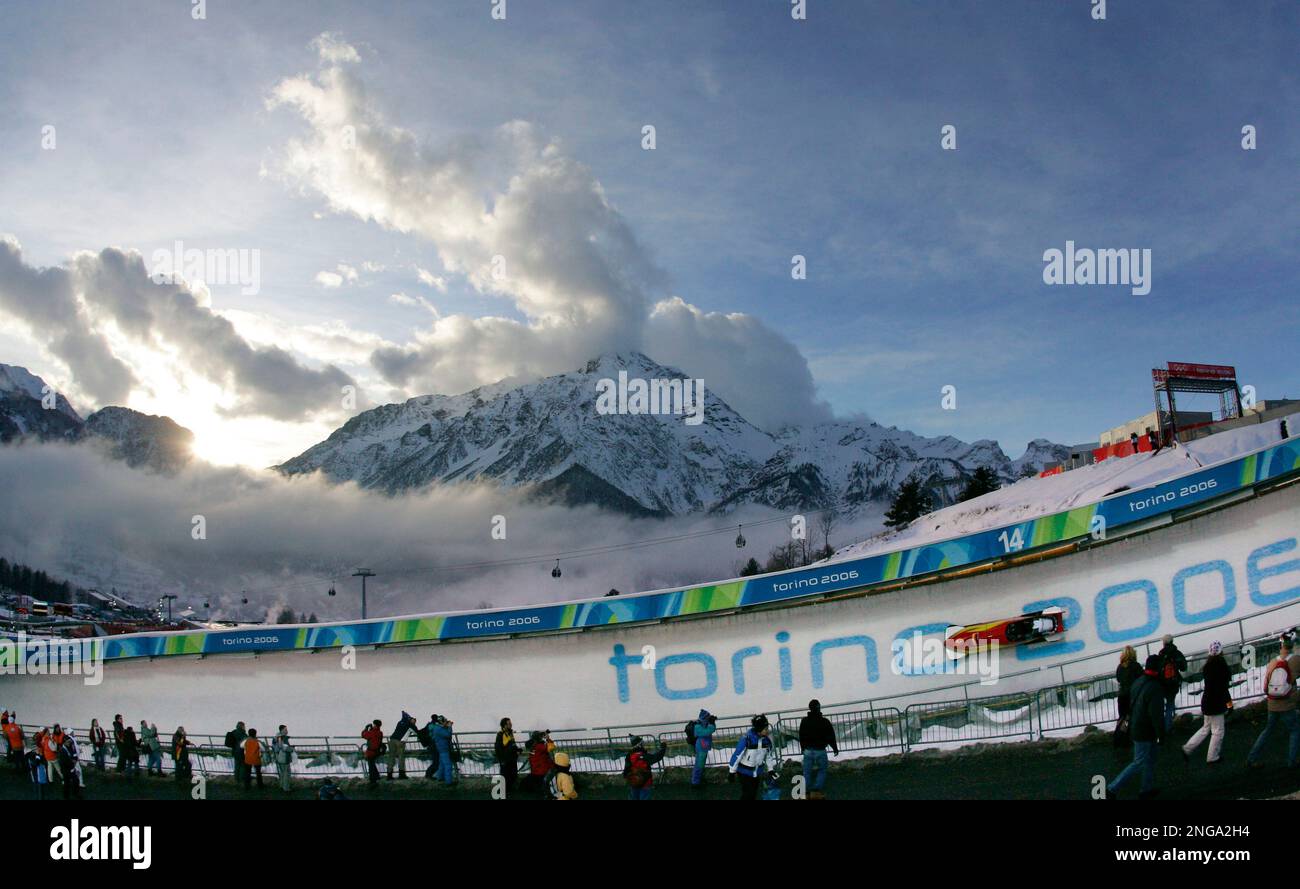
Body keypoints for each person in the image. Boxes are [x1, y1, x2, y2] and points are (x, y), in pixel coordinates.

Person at [1107, 655, 1166, 799]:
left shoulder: (1139, 682)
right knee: (1139, 761)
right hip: (1145, 730)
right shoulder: (1155, 687)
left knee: (1150, 759)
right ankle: (1112, 788)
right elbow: (1156, 714)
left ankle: (1147, 789)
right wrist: (1161, 733)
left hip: (1137, 726)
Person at [1248, 633, 1300, 768]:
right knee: (1295, 729)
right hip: (1287, 704)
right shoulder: (1296, 660)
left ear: (1280, 646)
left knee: (1267, 730)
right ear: (1292, 645)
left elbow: (1266, 688)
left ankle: (1252, 757)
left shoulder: (1272, 662)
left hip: (1272, 704)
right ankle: (1292, 761)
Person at [1183, 641, 1231, 765]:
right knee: (1218, 731)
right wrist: (1230, 705)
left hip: (1207, 702)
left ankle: (1188, 748)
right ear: (1221, 652)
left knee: (1206, 728)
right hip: (1217, 704)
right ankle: (1212, 756)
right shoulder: (1222, 667)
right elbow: (1223, 689)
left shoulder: (1207, 667)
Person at [730, 715, 779, 801]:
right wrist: (732, 771)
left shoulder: (766, 741)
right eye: (765, 729)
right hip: (744, 772)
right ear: (759, 730)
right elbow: (737, 755)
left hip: (756, 772)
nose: (767, 731)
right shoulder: (747, 739)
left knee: (753, 794)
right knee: (748, 794)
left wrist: (770, 770)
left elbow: (768, 756)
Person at [798, 700, 840, 799]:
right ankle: (816, 791)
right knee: (822, 770)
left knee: (806, 771)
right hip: (820, 749)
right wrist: (835, 748)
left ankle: (808, 792)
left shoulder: (804, 721)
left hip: (808, 750)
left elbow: (801, 735)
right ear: (819, 708)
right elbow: (830, 736)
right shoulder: (824, 721)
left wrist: (803, 747)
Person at [1113, 646, 1143, 746]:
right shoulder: (1135, 666)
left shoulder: (1120, 666)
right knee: (1131, 717)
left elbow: (1118, 679)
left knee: (1123, 717)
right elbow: (1141, 677)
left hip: (1122, 696)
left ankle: (1119, 735)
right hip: (1132, 696)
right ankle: (1128, 737)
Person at [1158, 634, 1188, 732]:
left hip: (1162, 684)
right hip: (1173, 683)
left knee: (1165, 705)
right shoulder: (1176, 653)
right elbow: (1184, 667)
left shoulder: (1161, 654)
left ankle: (1166, 724)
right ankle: (1168, 726)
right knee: (1170, 704)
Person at [622, 736, 667, 801]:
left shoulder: (629, 756)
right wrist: (663, 746)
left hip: (634, 782)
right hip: (645, 782)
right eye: (642, 743)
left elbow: (626, 770)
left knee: (634, 797)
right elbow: (657, 757)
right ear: (639, 745)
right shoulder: (644, 756)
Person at [688, 710, 717, 789]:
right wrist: (711, 724)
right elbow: (707, 732)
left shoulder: (703, 724)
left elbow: (712, 729)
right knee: (699, 765)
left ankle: (698, 780)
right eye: (708, 717)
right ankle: (695, 783)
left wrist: (712, 722)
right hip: (701, 748)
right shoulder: (697, 726)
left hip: (703, 747)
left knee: (701, 764)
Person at [494, 717, 520, 796]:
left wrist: (517, 750)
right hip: (505, 759)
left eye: (511, 723)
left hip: (512, 758)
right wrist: (501, 760)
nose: (511, 725)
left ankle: (508, 790)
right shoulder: (500, 734)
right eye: (509, 723)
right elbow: (498, 748)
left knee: (513, 774)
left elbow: (512, 744)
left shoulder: (510, 733)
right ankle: (502, 792)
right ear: (504, 725)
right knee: (505, 776)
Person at [388, 710, 416, 780]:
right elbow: (416, 732)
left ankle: (389, 775)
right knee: (401, 758)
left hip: (392, 740)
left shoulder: (399, 722)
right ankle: (401, 774)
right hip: (400, 742)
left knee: (391, 757)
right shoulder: (410, 725)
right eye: (413, 720)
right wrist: (413, 725)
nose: (414, 721)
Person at [432, 715, 456, 786]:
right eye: (445, 721)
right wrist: (450, 727)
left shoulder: (437, 728)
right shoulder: (439, 729)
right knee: (448, 765)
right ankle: (449, 782)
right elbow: (448, 735)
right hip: (443, 749)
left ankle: (439, 777)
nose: (446, 722)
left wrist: (447, 726)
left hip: (441, 748)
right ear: (441, 722)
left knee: (442, 765)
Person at [59, 732, 83, 800]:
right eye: (68, 742)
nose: (69, 743)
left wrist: (74, 761)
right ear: (64, 742)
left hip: (71, 768)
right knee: (67, 784)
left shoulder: (69, 747)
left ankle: (76, 793)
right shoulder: (62, 751)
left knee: (76, 781)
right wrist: (73, 762)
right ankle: (66, 796)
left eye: (69, 742)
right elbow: (65, 761)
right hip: (66, 770)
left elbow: (74, 755)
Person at [272, 725, 294, 792]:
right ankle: (286, 788)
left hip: (280, 757)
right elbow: (282, 747)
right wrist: (291, 749)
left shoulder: (278, 737)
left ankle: (282, 786)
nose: (287, 731)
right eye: (285, 729)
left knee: (282, 773)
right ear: (281, 730)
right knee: (286, 773)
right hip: (284, 757)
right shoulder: (280, 738)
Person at [361, 719, 384, 783]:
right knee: (372, 764)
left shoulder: (371, 732)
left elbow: (363, 735)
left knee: (371, 766)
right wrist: (371, 730)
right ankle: (377, 776)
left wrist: (366, 729)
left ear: (376, 725)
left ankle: (373, 779)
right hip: (377, 751)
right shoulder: (380, 733)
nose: (373, 725)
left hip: (371, 752)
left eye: (374, 724)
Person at [225, 721, 247, 785]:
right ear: (242, 726)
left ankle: (236, 778)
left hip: (235, 751)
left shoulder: (233, 732)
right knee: (243, 765)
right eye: (244, 726)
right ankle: (241, 778)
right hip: (241, 751)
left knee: (237, 765)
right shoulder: (243, 733)